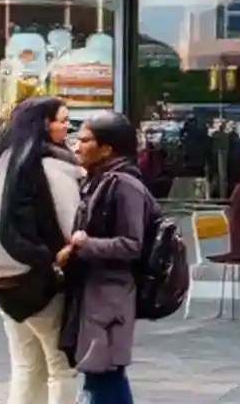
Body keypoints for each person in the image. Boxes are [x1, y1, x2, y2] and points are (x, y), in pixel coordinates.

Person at [58, 111, 158, 404]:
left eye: (85, 140)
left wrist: (85, 244)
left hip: (110, 299)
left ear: (107, 149)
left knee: (104, 376)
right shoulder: (99, 181)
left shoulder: (125, 185)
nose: (76, 147)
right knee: (100, 377)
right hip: (96, 294)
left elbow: (131, 245)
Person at [0, 97, 81, 404]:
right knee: (61, 367)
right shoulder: (52, 164)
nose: (67, 126)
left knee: (26, 365)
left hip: (1, 278)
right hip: (40, 277)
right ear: (44, 123)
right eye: (62, 119)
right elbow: (69, 220)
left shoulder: (2, 159)